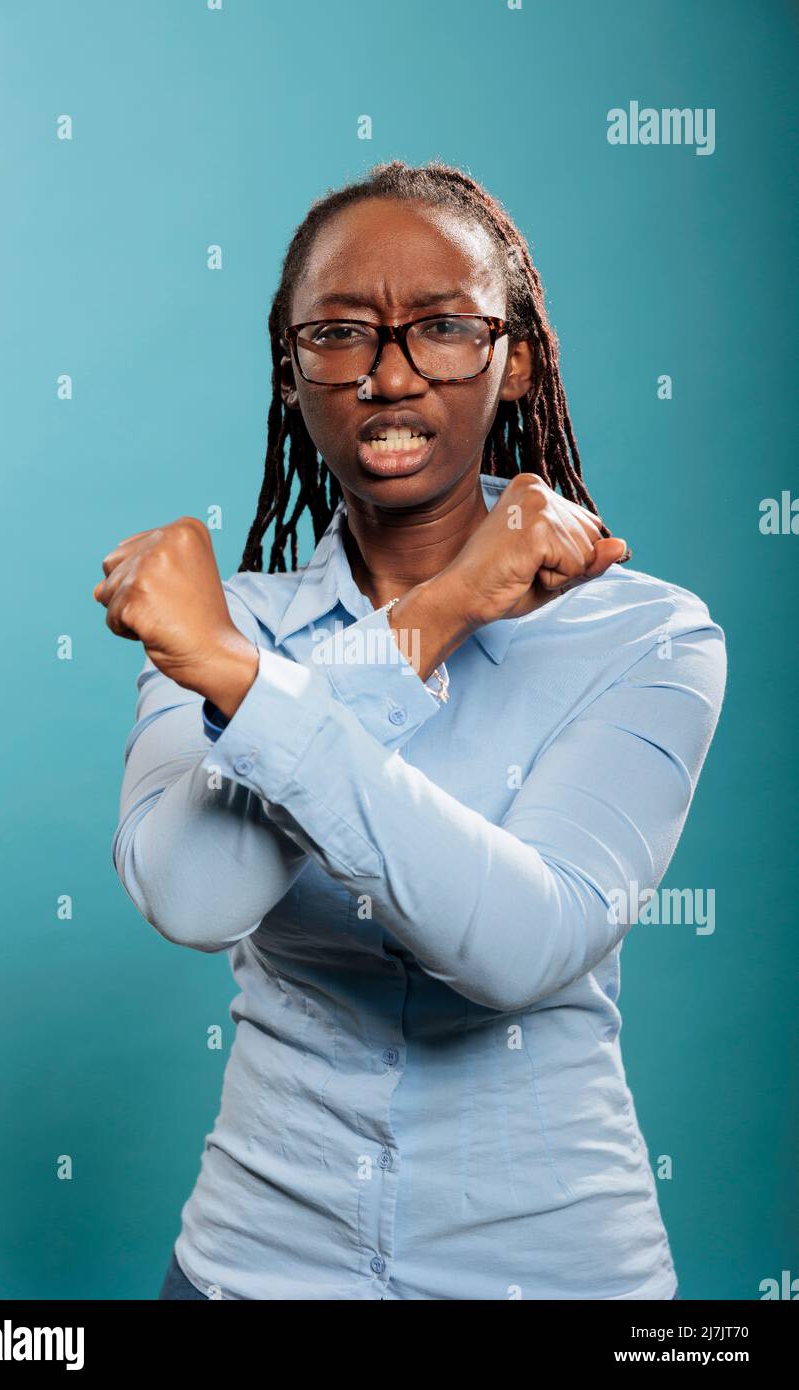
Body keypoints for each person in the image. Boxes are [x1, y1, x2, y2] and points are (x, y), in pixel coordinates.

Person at [94, 160, 725, 1300]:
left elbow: (522, 947)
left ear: (514, 357)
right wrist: (436, 616)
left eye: (440, 327)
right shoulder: (236, 625)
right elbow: (192, 894)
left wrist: (261, 692)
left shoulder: (649, 636)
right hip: (254, 1274)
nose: (387, 375)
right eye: (338, 333)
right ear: (292, 373)